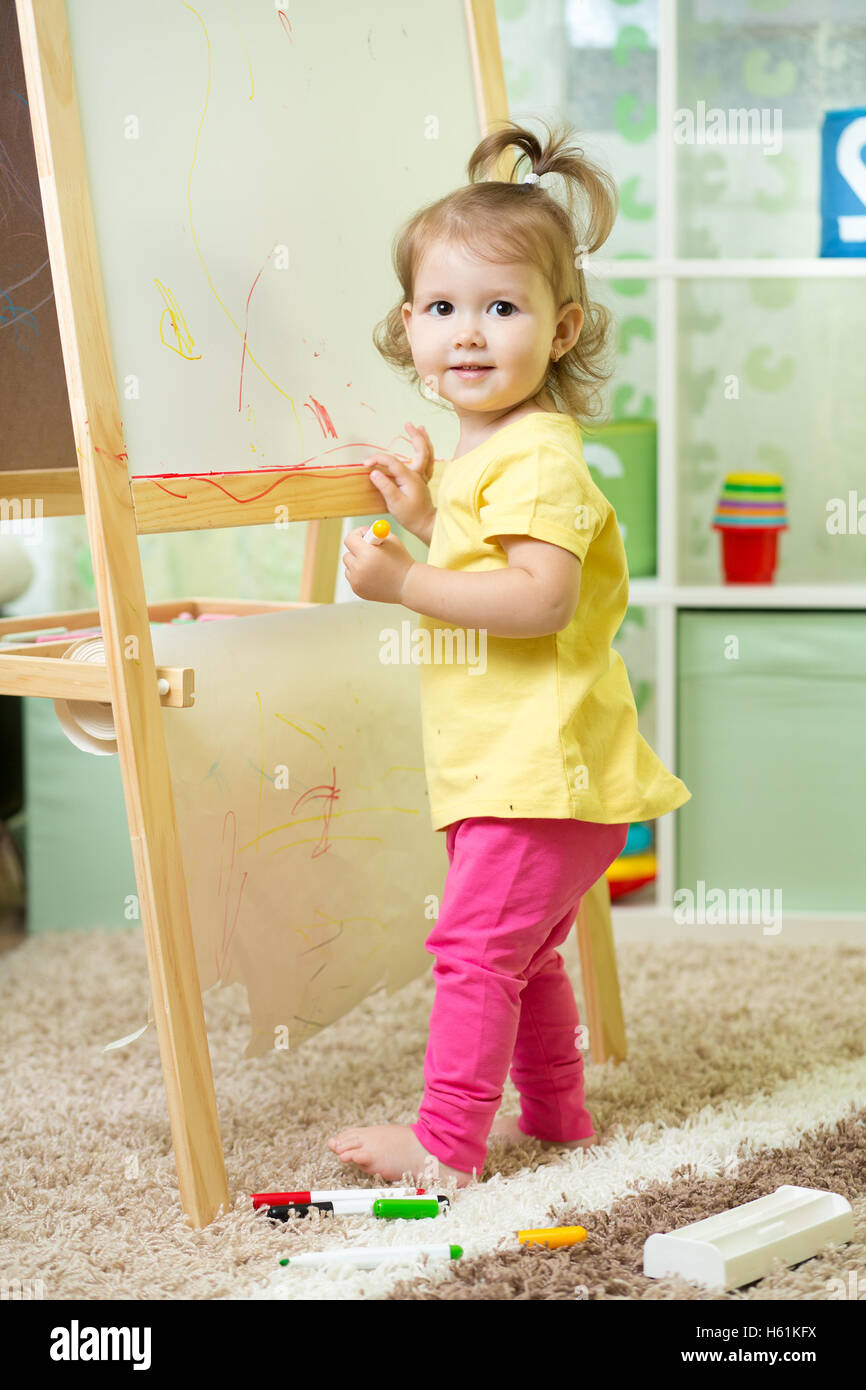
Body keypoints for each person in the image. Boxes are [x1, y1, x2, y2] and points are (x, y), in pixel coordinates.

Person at [332, 119, 690, 1189]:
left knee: (474, 955)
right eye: (443, 309)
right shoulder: (495, 451)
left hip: (536, 772)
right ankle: (557, 1114)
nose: (469, 334)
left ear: (562, 325)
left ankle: (445, 1143)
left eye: (502, 308)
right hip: (520, 767)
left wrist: (402, 579)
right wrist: (428, 502)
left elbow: (536, 599)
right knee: (526, 956)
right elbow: (490, 530)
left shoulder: (537, 457)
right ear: (410, 325)